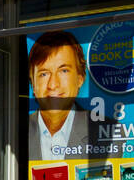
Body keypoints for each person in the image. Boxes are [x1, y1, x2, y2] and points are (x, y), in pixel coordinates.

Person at [27, 30, 97, 160]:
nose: (53, 84)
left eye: (63, 71)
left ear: (80, 79)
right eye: (44, 74)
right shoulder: (14, 132)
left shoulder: (105, 131)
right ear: (33, 85)